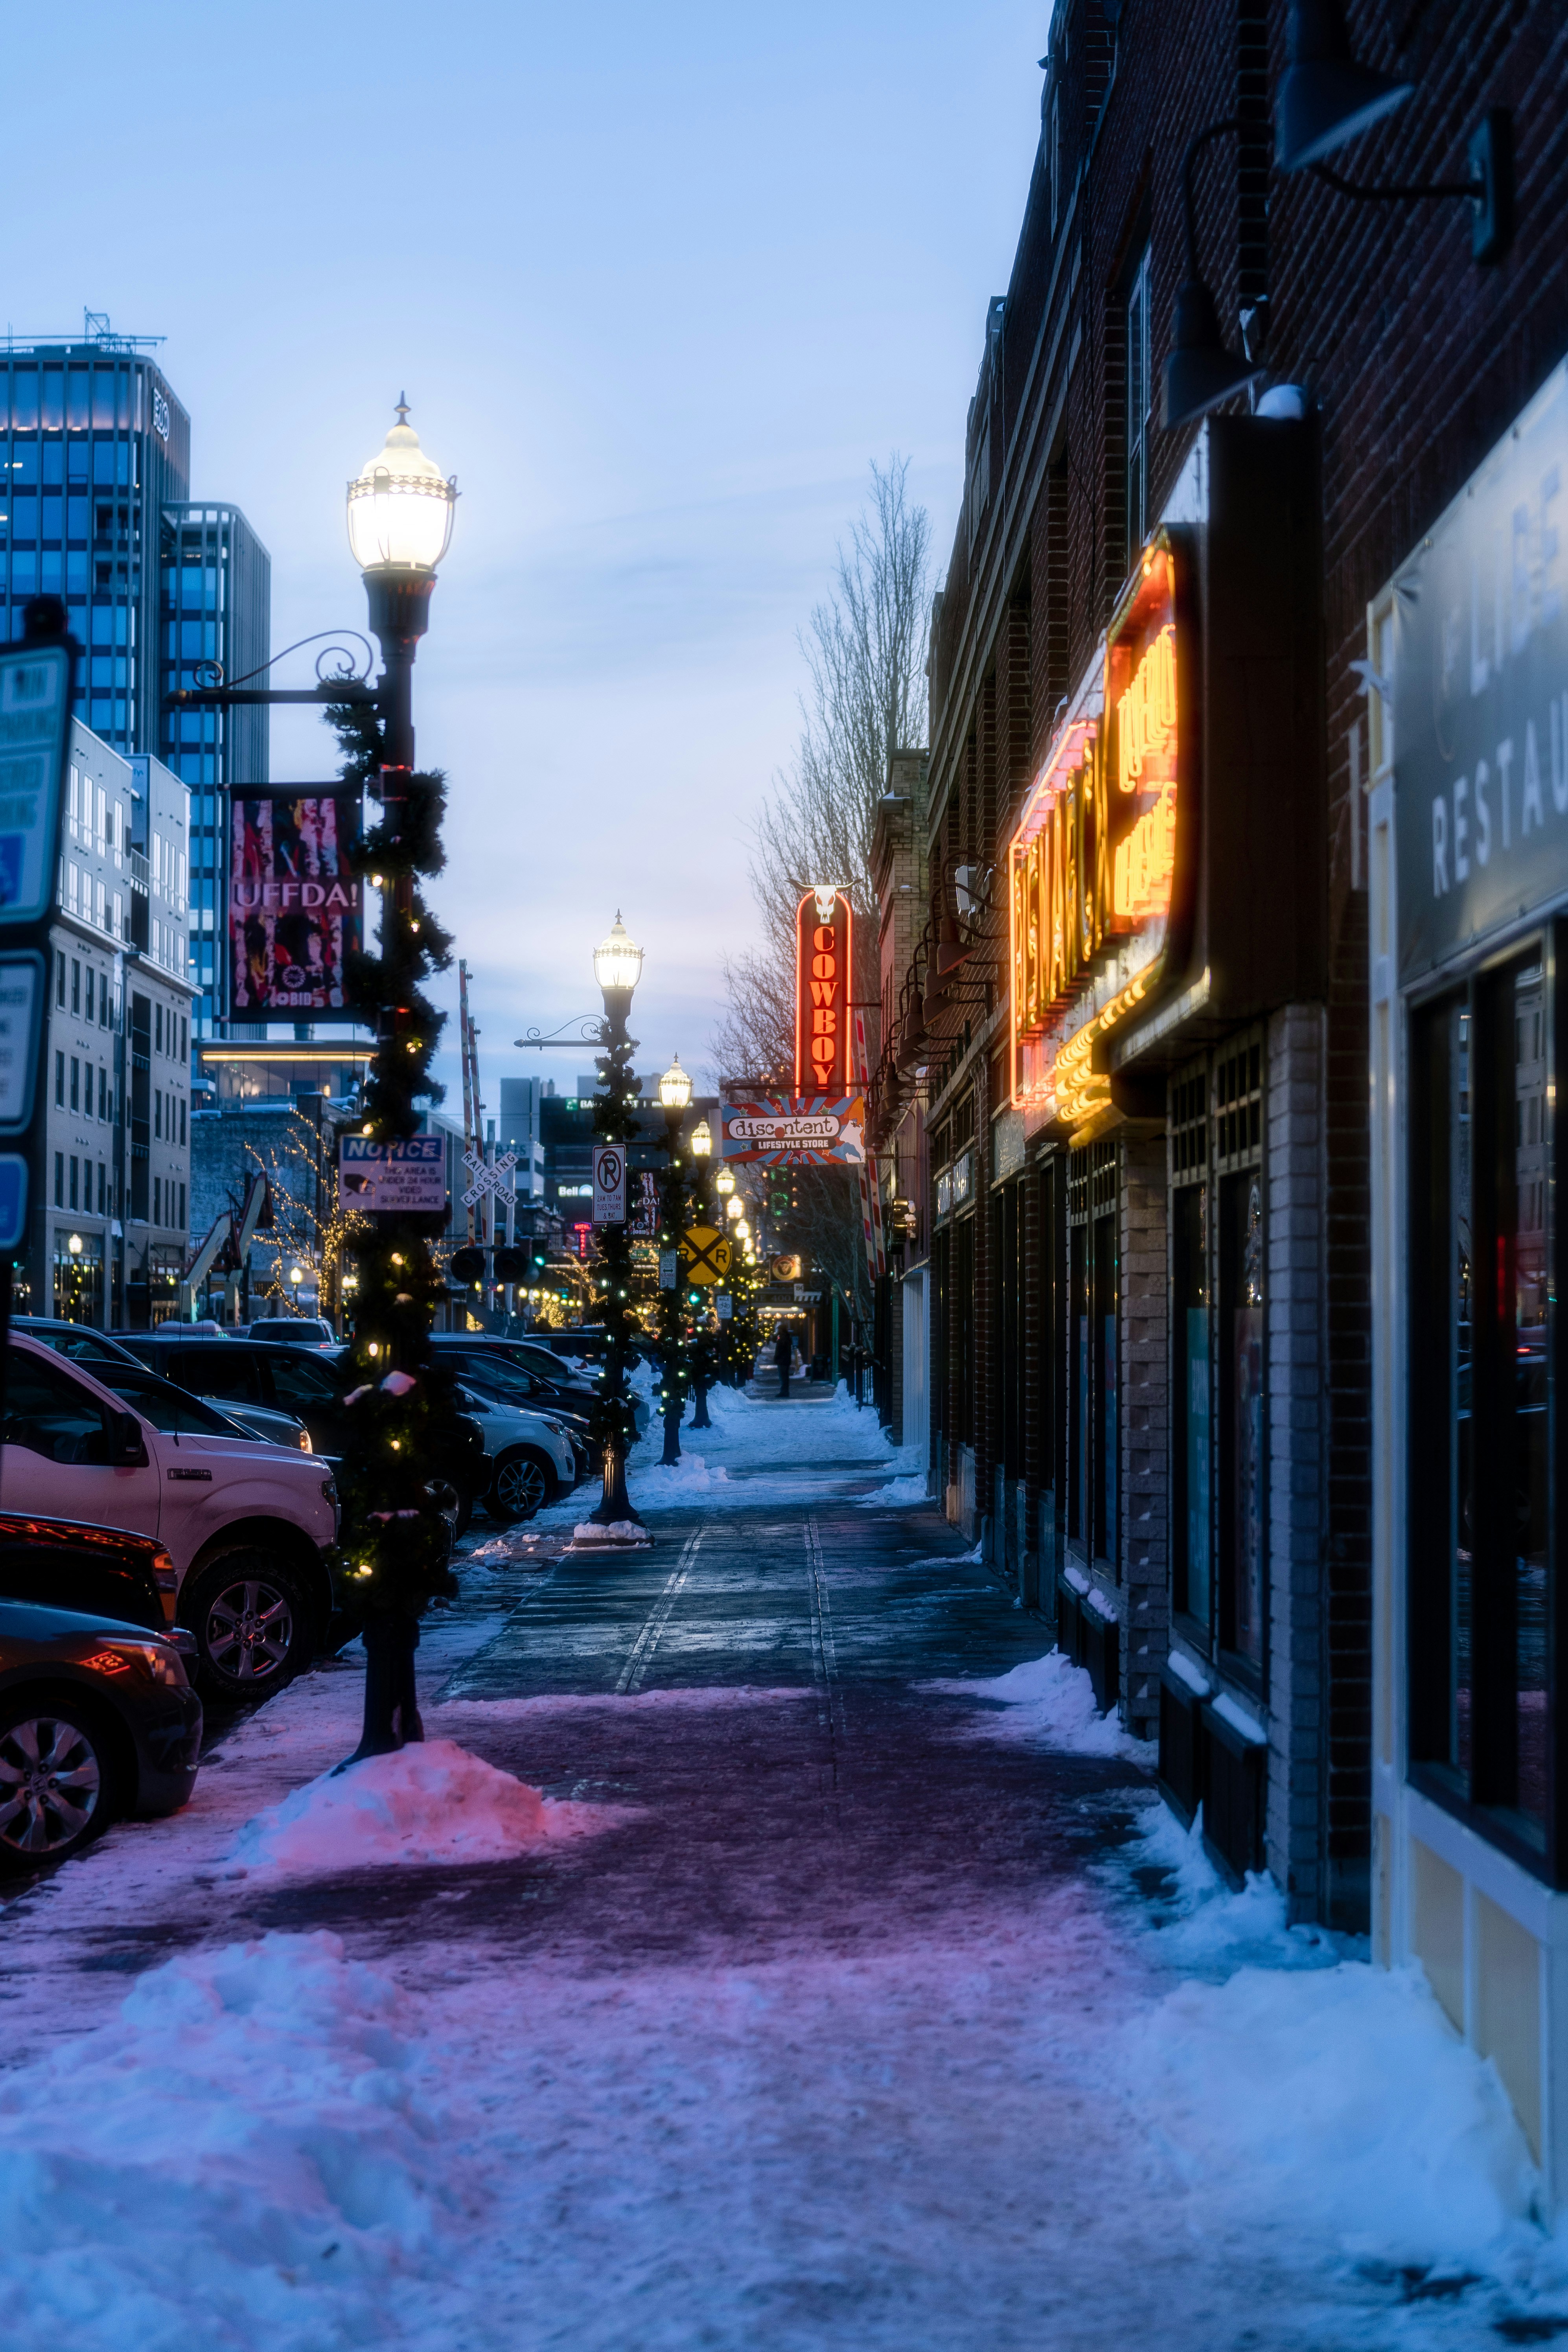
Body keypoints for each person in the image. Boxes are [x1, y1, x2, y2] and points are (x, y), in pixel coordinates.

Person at [773, 1321, 795, 1401]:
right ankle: (785, 1391)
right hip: (784, 1360)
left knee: (783, 1377)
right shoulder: (785, 1337)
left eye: (779, 1329)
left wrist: (777, 1358)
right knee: (784, 1377)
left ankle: (784, 1391)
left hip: (783, 1360)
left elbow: (780, 1349)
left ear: (782, 1330)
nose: (778, 1331)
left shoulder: (783, 1338)